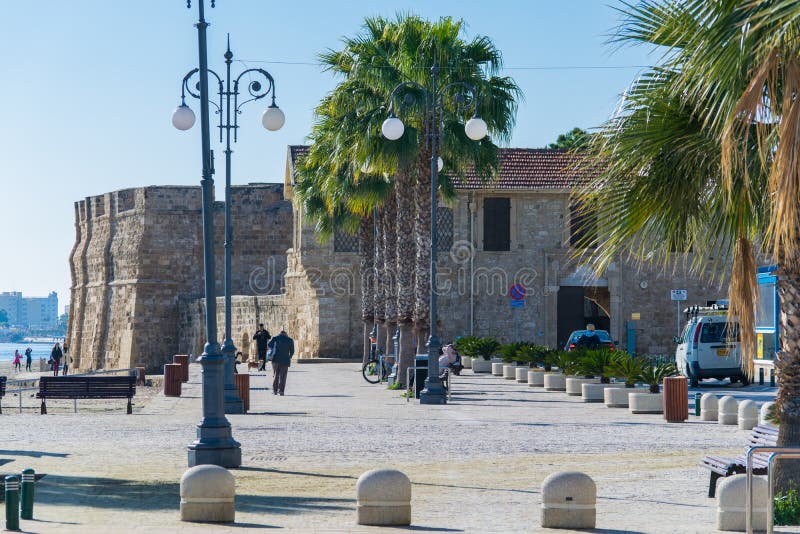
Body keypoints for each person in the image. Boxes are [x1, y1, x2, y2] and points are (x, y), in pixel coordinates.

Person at [267, 330, 294, 395]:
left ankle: (275, 390)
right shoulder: (290, 340)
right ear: (286, 334)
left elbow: (269, 345)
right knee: (283, 376)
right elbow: (292, 351)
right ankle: (281, 391)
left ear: (280, 333)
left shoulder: (275, 338)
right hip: (285, 361)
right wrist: (289, 357)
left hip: (275, 360)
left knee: (276, 375)